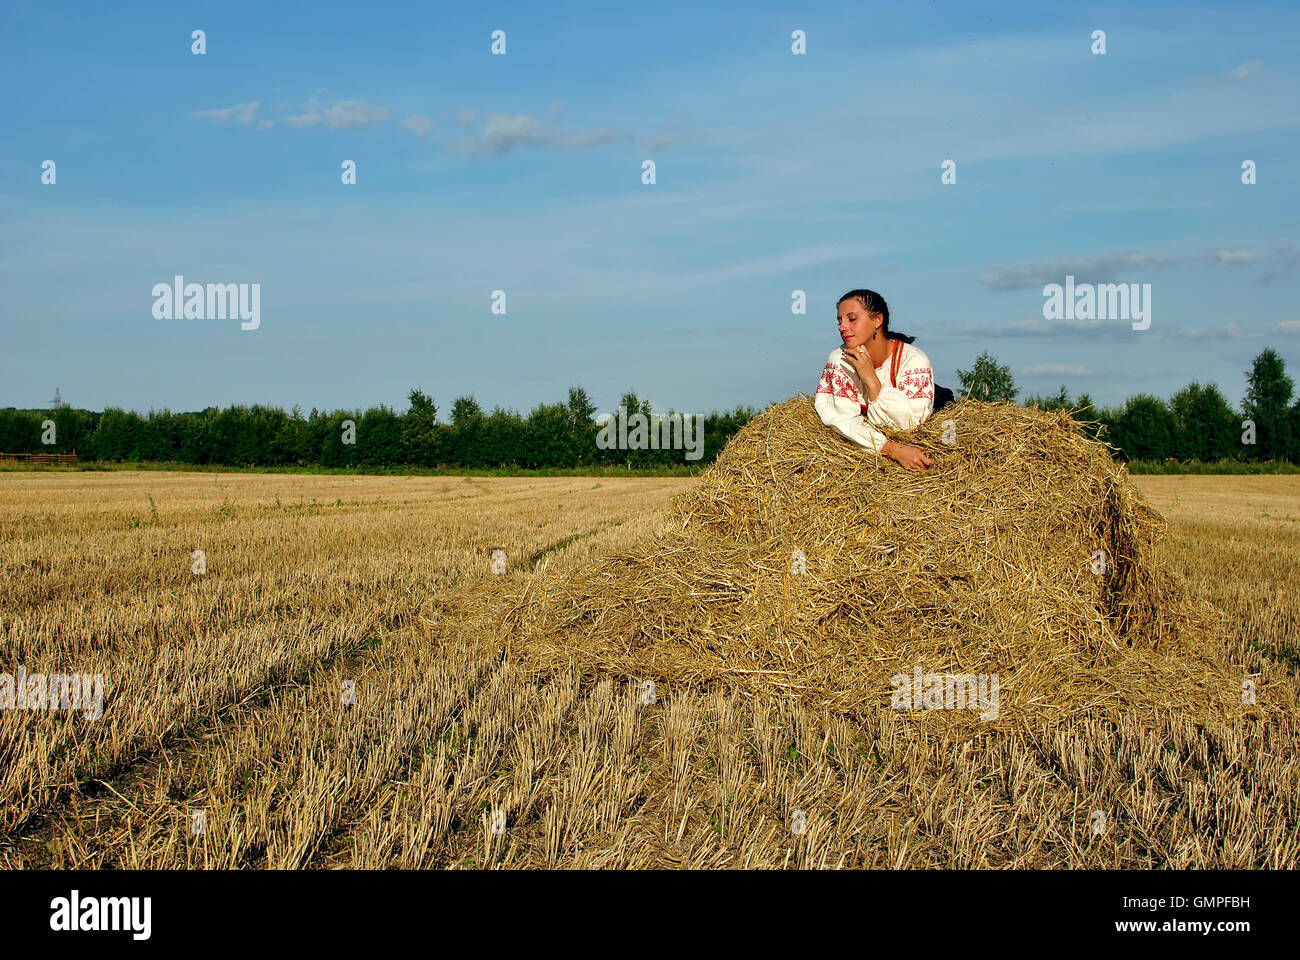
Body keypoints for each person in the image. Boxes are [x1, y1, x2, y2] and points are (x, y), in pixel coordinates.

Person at [814, 289, 940, 470]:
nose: (842, 327)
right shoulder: (839, 360)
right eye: (839, 321)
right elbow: (840, 420)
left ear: (877, 320)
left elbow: (911, 425)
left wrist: (872, 381)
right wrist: (892, 450)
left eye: (852, 319)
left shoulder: (913, 361)